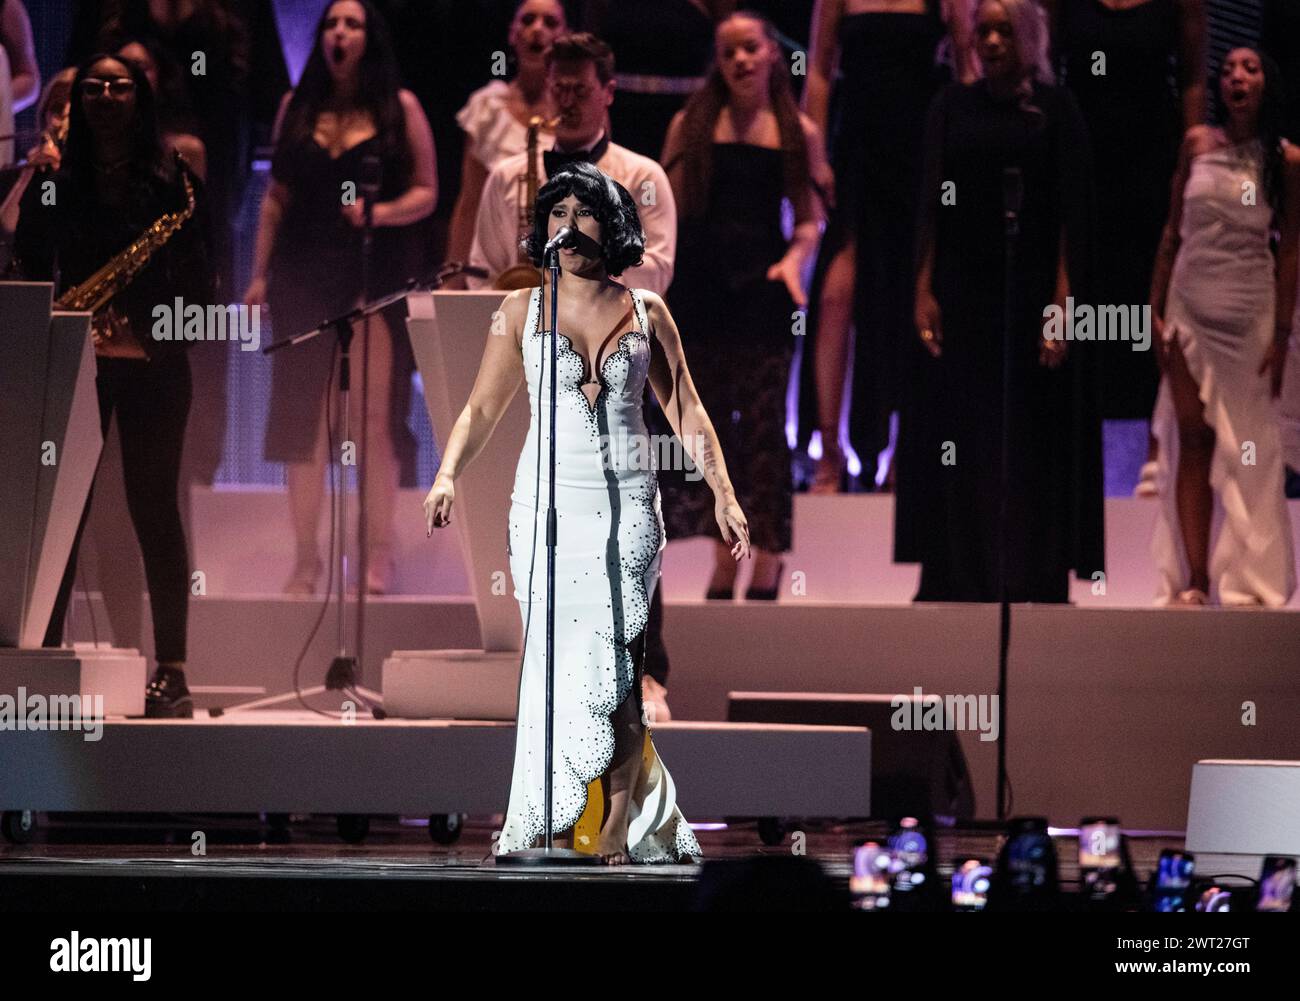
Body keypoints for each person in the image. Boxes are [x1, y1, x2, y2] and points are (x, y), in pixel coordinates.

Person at [425, 161, 751, 864]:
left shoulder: (647, 311)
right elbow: (481, 406)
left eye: (584, 210)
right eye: (556, 212)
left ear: (614, 223)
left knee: (622, 673)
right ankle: (550, 814)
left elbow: (687, 408)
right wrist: (447, 472)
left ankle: (614, 827)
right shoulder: (519, 311)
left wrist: (724, 491)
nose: (568, 225)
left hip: (630, 510)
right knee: (554, 666)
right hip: (545, 510)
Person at [8, 53, 213, 717]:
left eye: (118, 87)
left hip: (154, 359)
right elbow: (29, 263)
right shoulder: (58, 178)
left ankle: (173, 669)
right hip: (77, 356)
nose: (103, 96)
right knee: (60, 513)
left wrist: (143, 324)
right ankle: (40, 654)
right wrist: (36, 182)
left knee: (154, 507)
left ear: (141, 99)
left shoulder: (173, 180)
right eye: (92, 87)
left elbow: (203, 282)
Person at [898, 0, 1103, 602]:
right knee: (961, 433)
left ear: (1028, 37)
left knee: (1030, 436)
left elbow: (1073, 217)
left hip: (1033, 291)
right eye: (982, 30)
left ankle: (1031, 572)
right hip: (963, 295)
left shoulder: (1055, 108)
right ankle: (957, 572)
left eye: (1002, 31)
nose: (989, 41)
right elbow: (930, 205)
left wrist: (1064, 304)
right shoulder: (950, 105)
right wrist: (922, 288)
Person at [245, 0, 436, 596]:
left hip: (370, 271)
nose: (340, 34)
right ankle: (307, 558)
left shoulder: (398, 108)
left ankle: (379, 552)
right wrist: (257, 277)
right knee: (304, 419)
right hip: (301, 271)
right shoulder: (294, 109)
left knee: (374, 419)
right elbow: (275, 197)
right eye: (331, 24)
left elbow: (428, 192)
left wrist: (377, 211)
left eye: (352, 24)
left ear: (368, 37)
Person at [658, 10, 825, 600]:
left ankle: (769, 556)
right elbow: (665, 212)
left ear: (772, 53)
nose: (740, 62)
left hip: (762, 289)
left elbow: (810, 219)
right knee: (708, 431)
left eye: (750, 49)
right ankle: (724, 557)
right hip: (702, 290)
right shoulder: (692, 122)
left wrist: (792, 263)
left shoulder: (795, 129)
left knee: (763, 429)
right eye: (729, 52)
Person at [798, 0, 972, 493]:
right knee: (835, 296)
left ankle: (903, 453)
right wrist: (814, 157)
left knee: (912, 302)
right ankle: (827, 453)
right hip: (856, 153)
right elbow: (819, 70)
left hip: (922, 153)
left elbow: (965, 67)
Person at [1149, 46, 1298, 607]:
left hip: (1250, 312)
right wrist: (1153, 305)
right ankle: (1194, 578)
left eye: (1251, 68)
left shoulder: (1285, 161)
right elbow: (1171, 232)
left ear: (1267, 85)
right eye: (1230, 68)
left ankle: (1251, 579)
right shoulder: (1196, 144)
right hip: (1189, 304)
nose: (1237, 76)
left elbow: (1291, 253)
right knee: (1191, 439)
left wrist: (1283, 335)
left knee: (1251, 447)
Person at [1046, 0, 1207, 498]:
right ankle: (1074, 450)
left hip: (1151, 157)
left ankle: (1159, 447)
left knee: (1150, 298)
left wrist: (1192, 161)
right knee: (1083, 295)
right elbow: (1048, 66)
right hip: (1082, 152)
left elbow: (1195, 77)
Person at [467, 31, 677, 295]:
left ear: (608, 93)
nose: (566, 102)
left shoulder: (644, 177)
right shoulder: (505, 175)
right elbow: (484, 272)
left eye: (579, 90)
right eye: (559, 89)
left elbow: (658, 272)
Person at [445, 0, 566, 280]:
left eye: (550, 22)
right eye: (528, 20)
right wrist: (453, 278)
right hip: (496, 261)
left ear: (564, 36)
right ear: (512, 33)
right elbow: (469, 202)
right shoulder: (488, 107)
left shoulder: (575, 112)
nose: (537, 29)